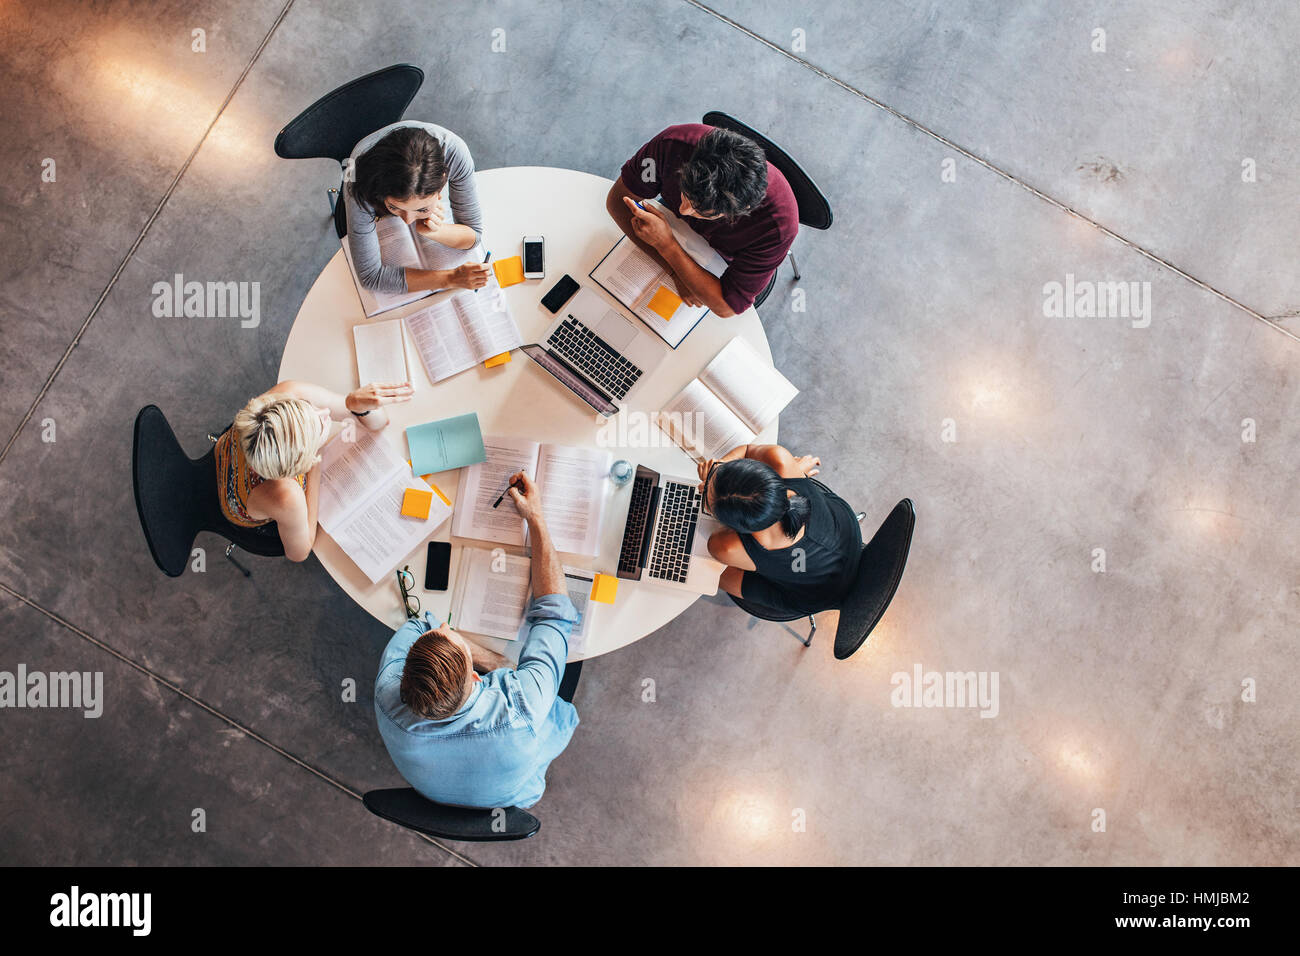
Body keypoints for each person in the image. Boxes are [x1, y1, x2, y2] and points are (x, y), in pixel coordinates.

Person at [374, 471, 581, 809]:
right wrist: (535, 518)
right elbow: (554, 613)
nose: (443, 627)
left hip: (433, 793)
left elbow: (418, 626)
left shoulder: (387, 695)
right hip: (514, 795)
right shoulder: (522, 709)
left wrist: (459, 646)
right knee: (570, 660)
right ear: (476, 675)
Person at [605, 122, 799, 317]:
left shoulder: (778, 227)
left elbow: (725, 307)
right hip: (674, 232)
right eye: (684, 193)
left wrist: (667, 246)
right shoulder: (672, 144)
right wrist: (674, 270)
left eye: (700, 210)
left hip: (724, 260)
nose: (684, 209)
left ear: (739, 210)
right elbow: (617, 201)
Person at [214, 380, 413, 562]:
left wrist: (356, 406)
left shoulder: (288, 393)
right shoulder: (286, 495)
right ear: (301, 464)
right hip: (237, 506)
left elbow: (379, 423)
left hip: (237, 453)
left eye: (308, 409)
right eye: (317, 427)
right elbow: (299, 553)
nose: (325, 412)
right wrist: (316, 462)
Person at [701, 444, 861, 615]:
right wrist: (718, 468)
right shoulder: (780, 459)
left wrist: (711, 490)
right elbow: (747, 450)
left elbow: (718, 544)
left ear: (737, 527)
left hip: (817, 595)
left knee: (708, 572)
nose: (700, 487)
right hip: (844, 533)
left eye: (704, 496)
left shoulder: (725, 547)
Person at [344, 121, 490, 294]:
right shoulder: (356, 181)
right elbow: (370, 278)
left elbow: (474, 235)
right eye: (394, 207)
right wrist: (451, 278)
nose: (408, 221)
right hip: (361, 168)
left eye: (421, 209)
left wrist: (436, 231)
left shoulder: (455, 153)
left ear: (443, 181)